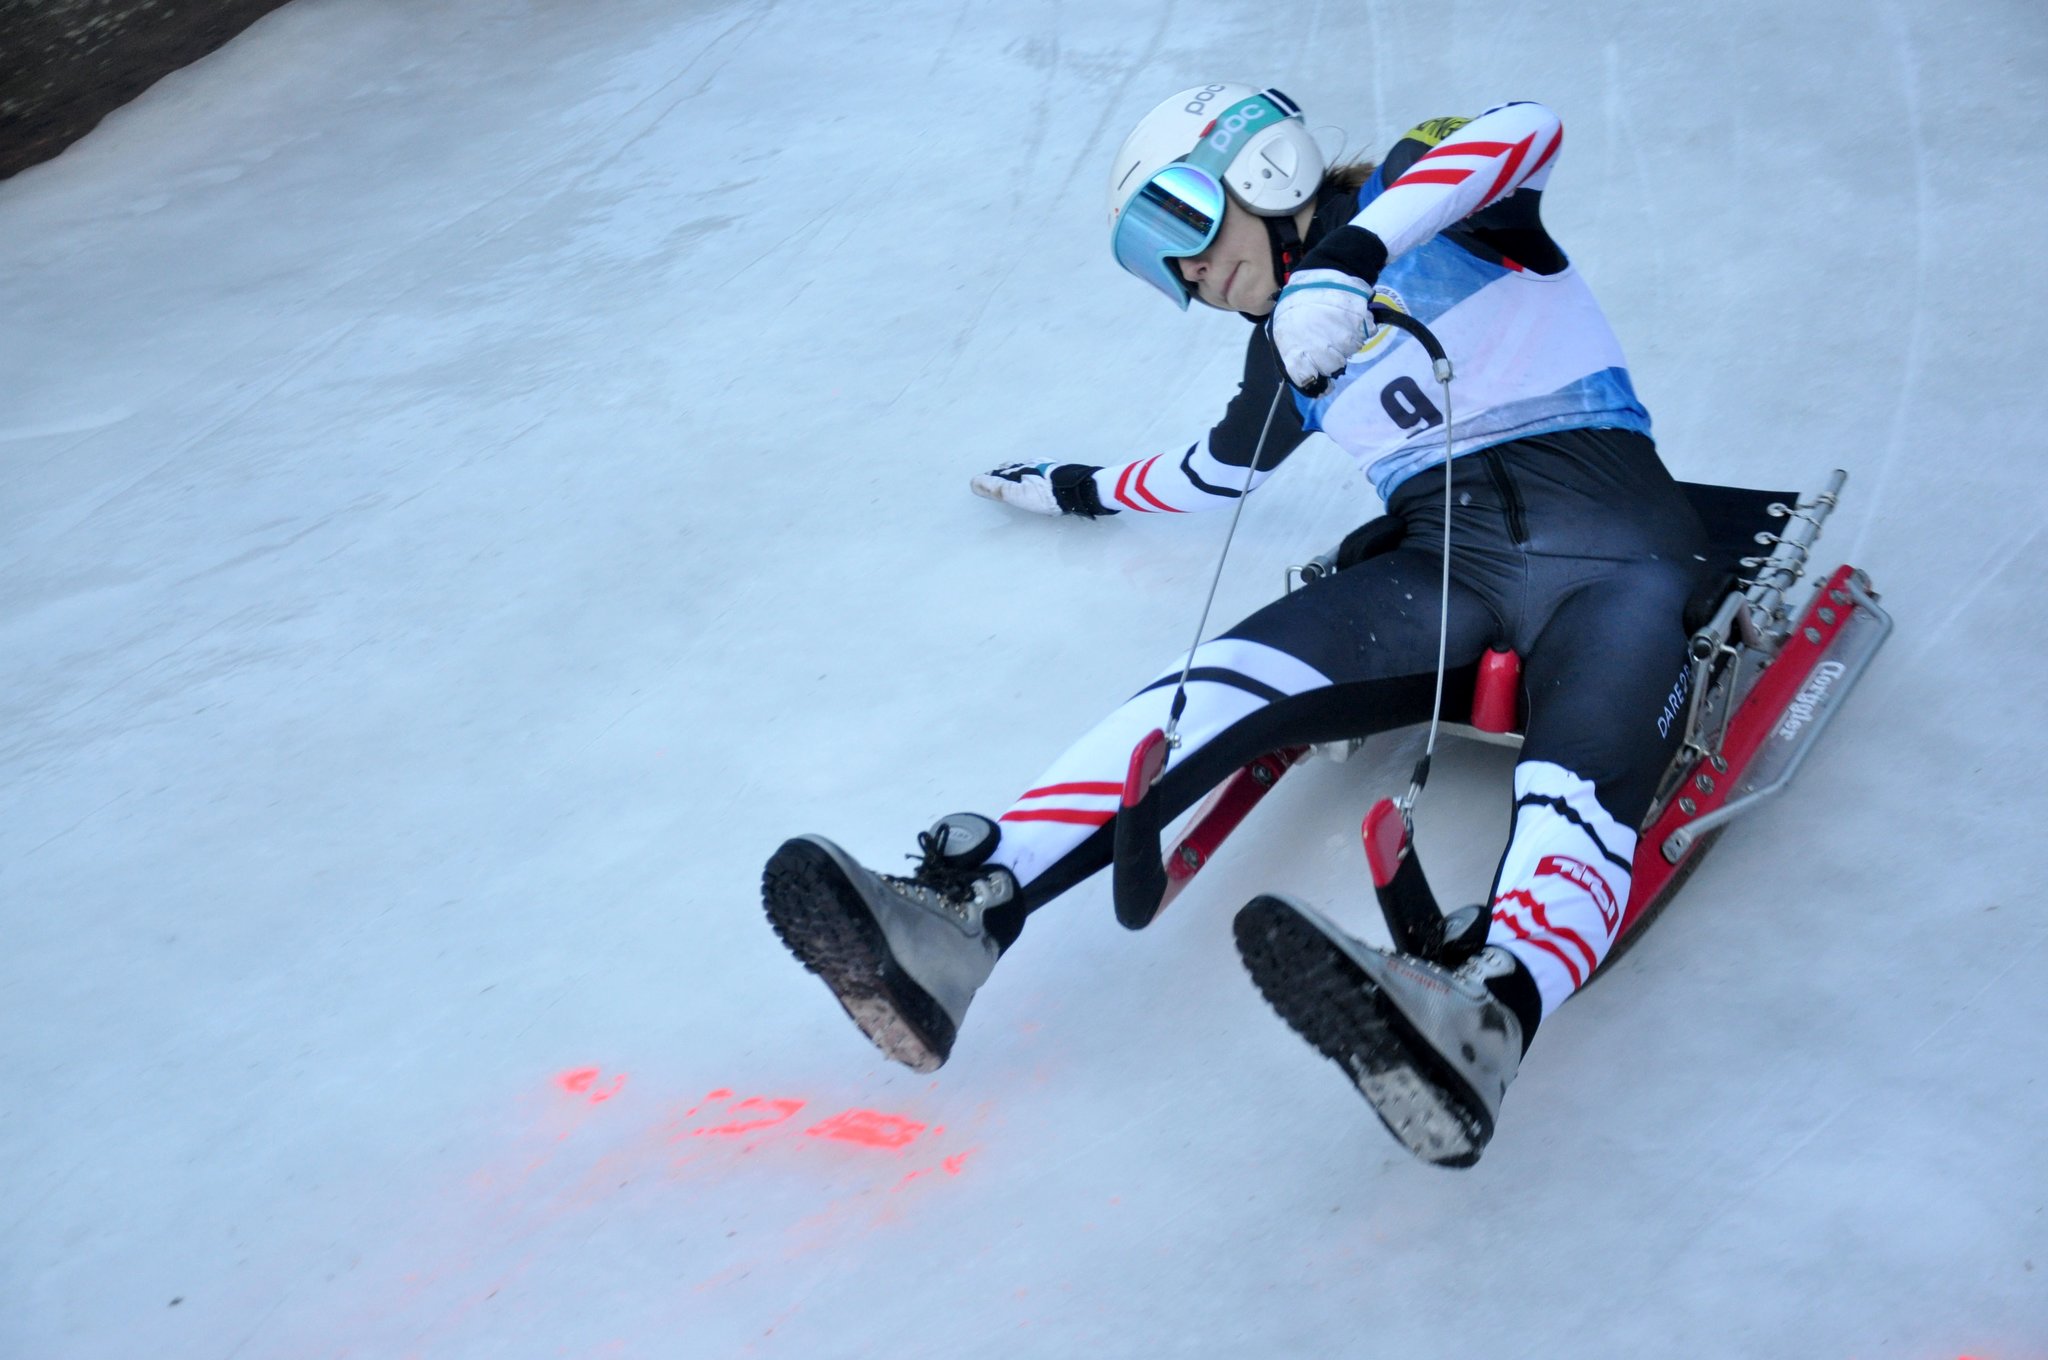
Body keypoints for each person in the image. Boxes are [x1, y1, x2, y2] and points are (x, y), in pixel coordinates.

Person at [762, 83, 1711, 1168]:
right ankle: (958, 914)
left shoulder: (1436, 201)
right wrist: (1071, 486)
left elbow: (1526, 126)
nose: (1185, 273)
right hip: (1439, 568)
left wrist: (1350, 259)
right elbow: (1208, 473)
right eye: (1153, 260)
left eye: (1181, 222)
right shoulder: (1286, 348)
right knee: (1217, 680)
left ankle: (1487, 1007)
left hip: (1620, 555)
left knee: (1573, 783)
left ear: (1262, 169)